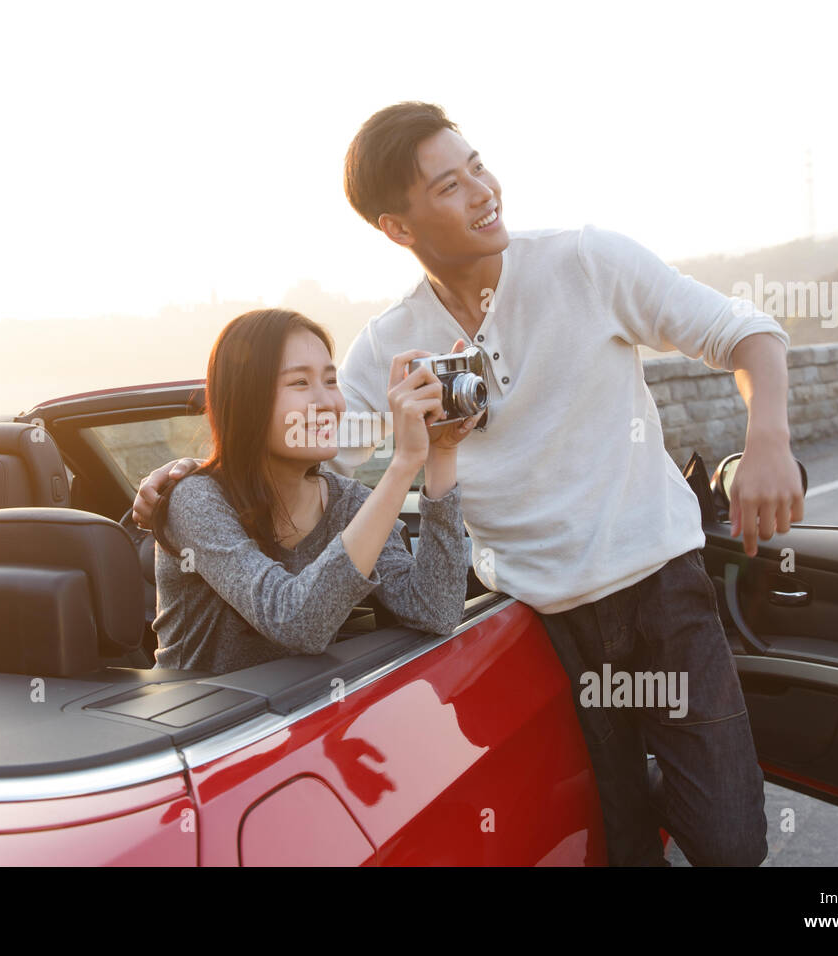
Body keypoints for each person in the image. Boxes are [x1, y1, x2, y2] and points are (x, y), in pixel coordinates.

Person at [134, 103, 803, 866]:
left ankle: (679, 784)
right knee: (617, 846)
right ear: (398, 227)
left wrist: (769, 441)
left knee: (731, 844)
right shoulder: (387, 344)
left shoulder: (585, 260)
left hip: (660, 587)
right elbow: (302, 447)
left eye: (477, 166)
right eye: (450, 185)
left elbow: (745, 331)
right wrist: (188, 479)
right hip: (536, 626)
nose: (484, 191)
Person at [147, 307, 480, 675]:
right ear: (246, 401)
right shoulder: (196, 500)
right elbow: (296, 623)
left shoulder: (349, 503)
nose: (328, 403)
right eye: (300, 384)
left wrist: (441, 452)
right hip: (201, 723)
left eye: (331, 381)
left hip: (303, 719)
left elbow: (435, 610)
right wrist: (403, 464)